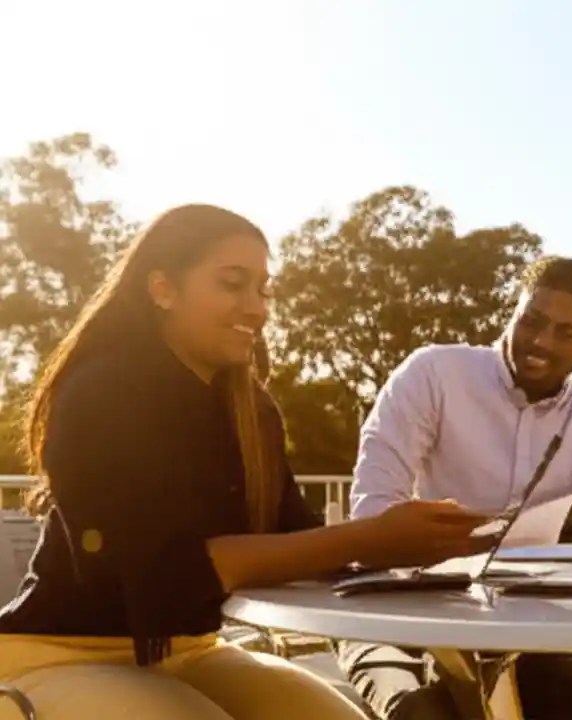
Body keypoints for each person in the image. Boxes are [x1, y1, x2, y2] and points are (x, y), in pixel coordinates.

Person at [0, 204, 496, 720]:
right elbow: (166, 576)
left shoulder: (251, 411)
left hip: (190, 649)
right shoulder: (100, 394)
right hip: (56, 652)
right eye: (233, 284)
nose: (257, 308)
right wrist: (369, 537)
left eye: (264, 290)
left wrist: (414, 546)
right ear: (163, 289)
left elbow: (293, 538)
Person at [337, 255, 572, 720]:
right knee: (427, 715)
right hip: (395, 615)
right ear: (512, 311)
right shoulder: (434, 374)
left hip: (519, 628)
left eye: (566, 332)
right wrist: (426, 542)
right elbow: (372, 512)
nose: (541, 342)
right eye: (532, 321)